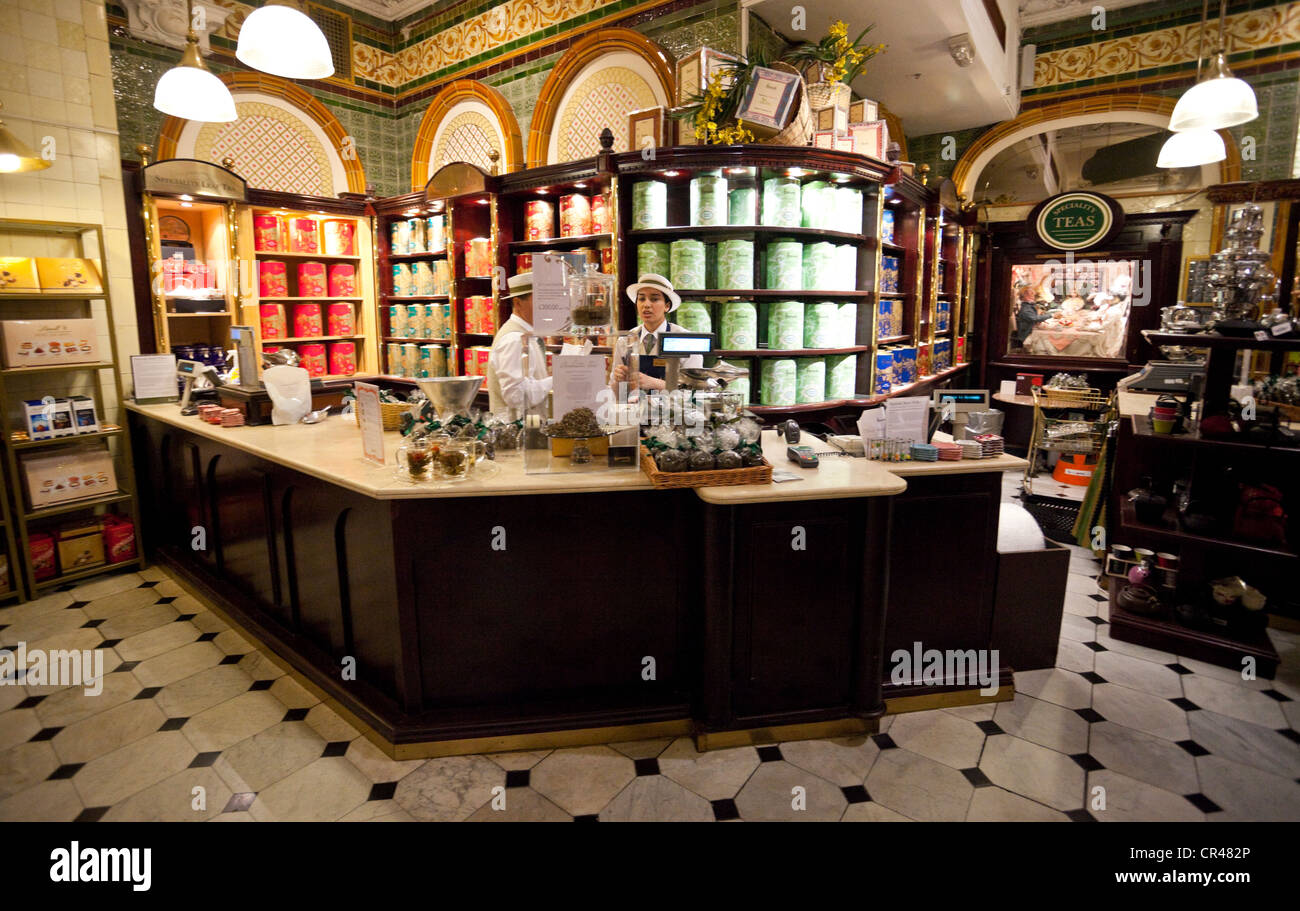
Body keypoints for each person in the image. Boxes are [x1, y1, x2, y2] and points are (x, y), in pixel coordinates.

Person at [610, 273, 703, 393]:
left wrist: (655, 383)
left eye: (654, 299)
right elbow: (613, 389)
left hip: (673, 410)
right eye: (641, 299)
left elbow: (695, 389)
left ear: (667, 306)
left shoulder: (685, 339)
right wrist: (618, 380)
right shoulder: (625, 341)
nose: (646, 305)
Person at [486, 272, 552, 415]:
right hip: (516, 434)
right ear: (517, 303)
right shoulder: (514, 339)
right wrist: (557, 380)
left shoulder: (527, 335)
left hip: (528, 431)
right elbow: (516, 396)